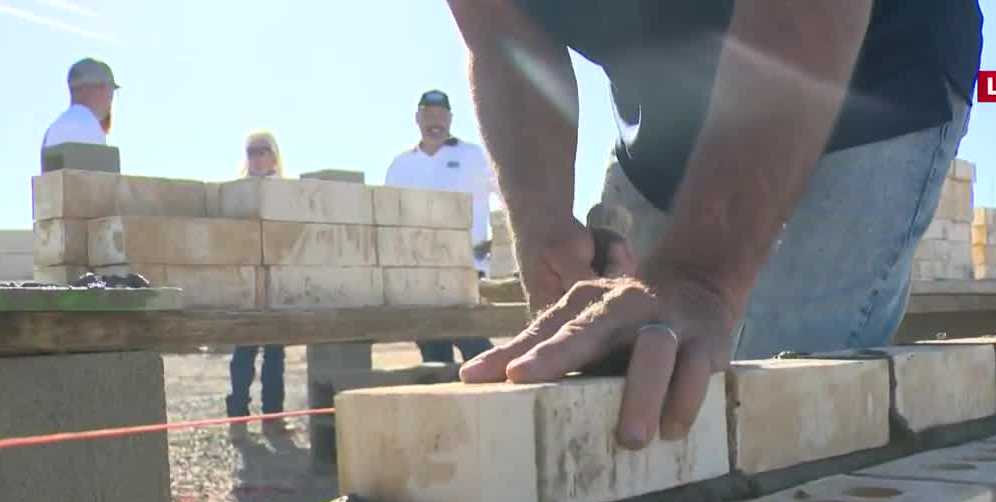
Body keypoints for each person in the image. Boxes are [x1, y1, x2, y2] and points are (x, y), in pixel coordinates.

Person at [447, 2, 982, 450]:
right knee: (636, 374)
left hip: (872, 72)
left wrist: (703, 276)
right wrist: (543, 226)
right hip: (665, 107)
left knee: (777, 407)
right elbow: (499, 31)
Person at [385, 89, 500, 364]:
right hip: (418, 275)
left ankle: (494, 379)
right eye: (428, 115)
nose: (434, 122)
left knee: (474, 343)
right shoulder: (401, 165)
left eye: (440, 115)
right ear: (417, 118)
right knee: (434, 355)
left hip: (466, 269)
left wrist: (501, 243)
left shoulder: (474, 156)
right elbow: (388, 220)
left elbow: (509, 198)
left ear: (450, 118)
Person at [226, 131, 290, 441]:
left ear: (274, 155)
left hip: (278, 282)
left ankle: (272, 419)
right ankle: (237, 420)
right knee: (243, 355)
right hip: (246, 283)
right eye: (251, 151)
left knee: (275, 357)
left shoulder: (287, 193)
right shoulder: (236, 192)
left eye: (263, 150)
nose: (257, 157)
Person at [42, 57, 118, 159]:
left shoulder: (53, 129)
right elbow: (93, 169)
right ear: (100, 88)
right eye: (110, 89)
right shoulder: (88, 125)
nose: (111, 98)